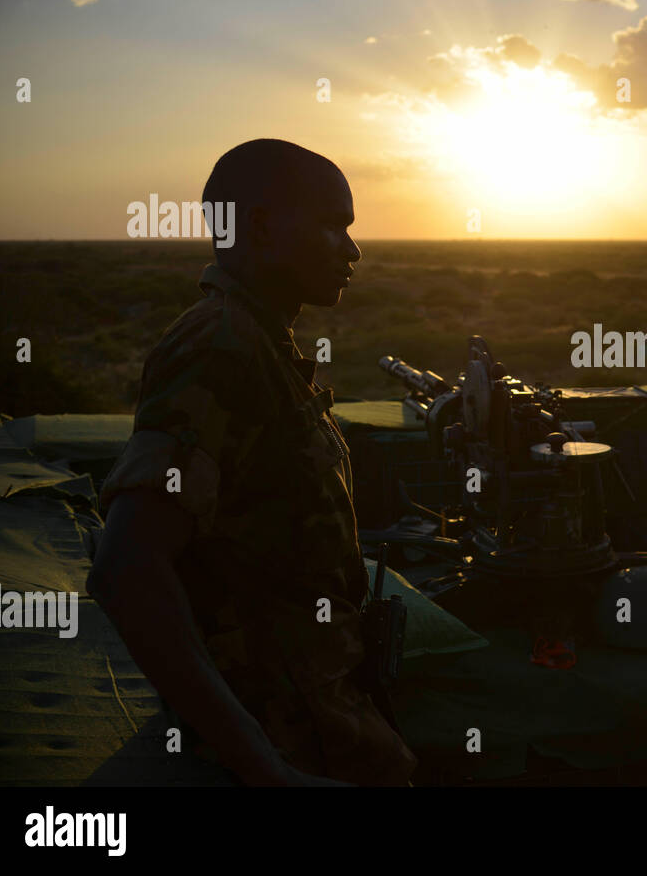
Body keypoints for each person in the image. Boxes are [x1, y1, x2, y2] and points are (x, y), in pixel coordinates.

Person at [87, 139, 417, 786]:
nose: (351, 251)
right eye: (333, 225)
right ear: (261, 227)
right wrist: (268, 770)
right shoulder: (219, 347)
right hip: (280, 736)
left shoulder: (261, 345)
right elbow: (127, 569)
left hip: (317, 718)